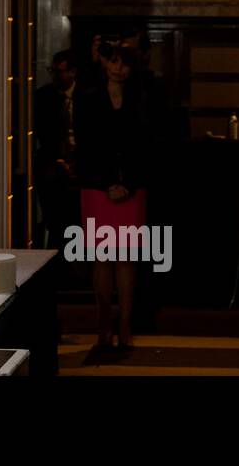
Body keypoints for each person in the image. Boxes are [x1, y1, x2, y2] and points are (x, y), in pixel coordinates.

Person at [74, 36, 161, 351]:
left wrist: (129, 183)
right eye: (114, 61)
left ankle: (124, 325)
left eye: (124, 63)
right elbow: (85, 146)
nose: (118, 68)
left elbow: (147, 146)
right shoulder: (87, 96)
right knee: (102, 257)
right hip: (97, 186)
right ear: (104, 61)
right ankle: (103, 325)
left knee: (126, 258)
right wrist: (108, 181)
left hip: (133, 187)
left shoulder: (142, 96)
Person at [34, 50, 78, 249]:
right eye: (52, 71)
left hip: (79, 162)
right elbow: (42, 131)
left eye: (60, 72)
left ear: (73, 72)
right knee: (54, 217)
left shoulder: (86, 95)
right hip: (51, 162)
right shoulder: (43, 96)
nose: (55, 77)